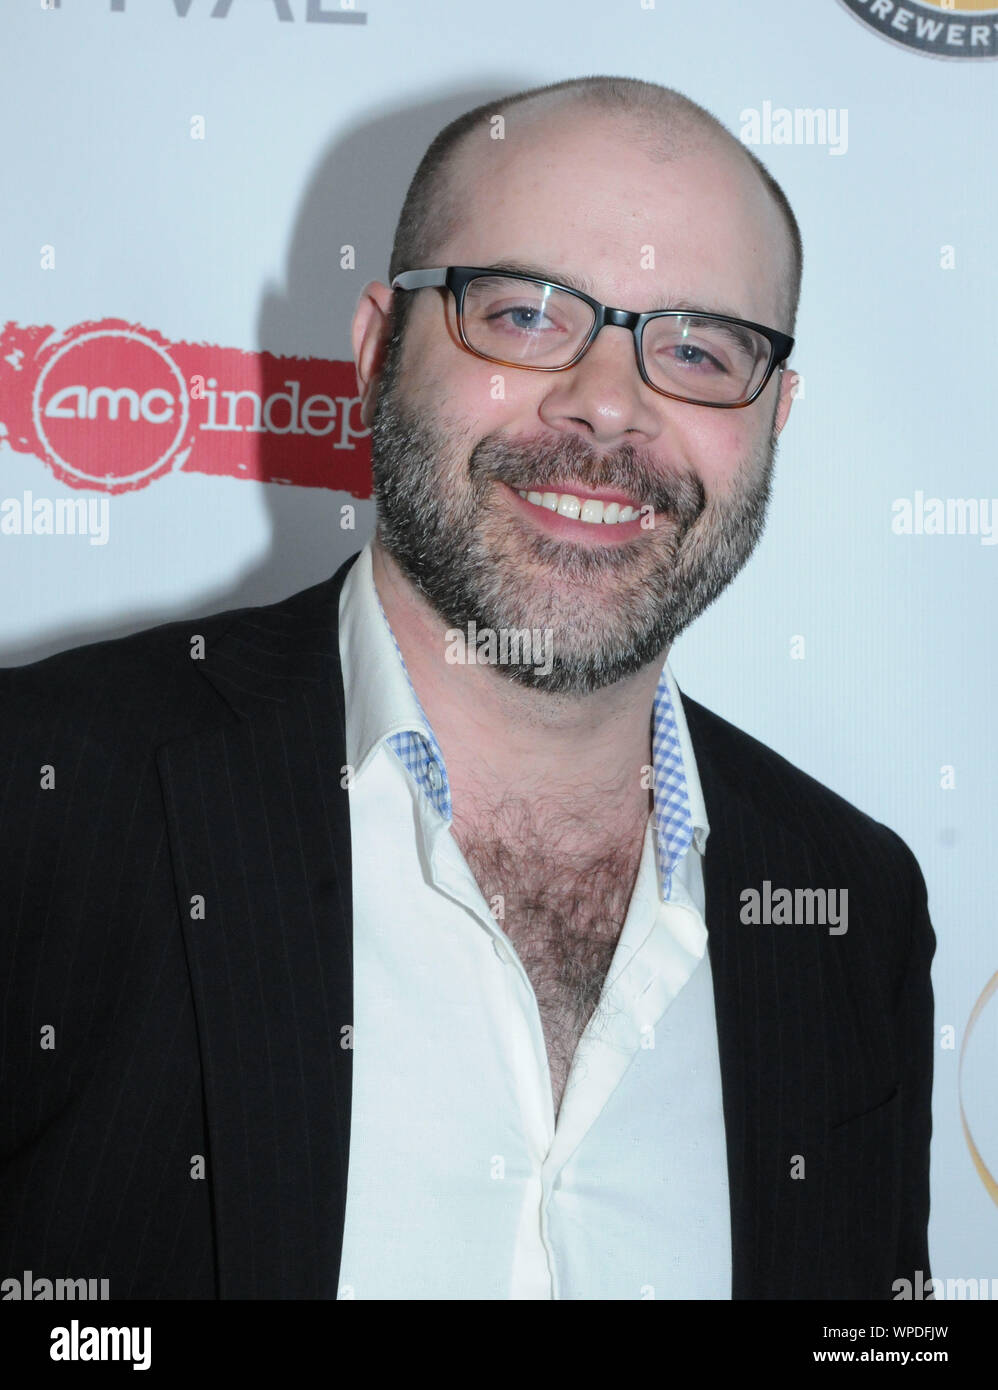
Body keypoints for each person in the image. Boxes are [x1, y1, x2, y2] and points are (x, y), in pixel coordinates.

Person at [0, 75, 933, 1301]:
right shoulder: (48, 798)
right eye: (527, 314)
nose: (608, 404)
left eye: (699, 347)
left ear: (772, 419)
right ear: (378, 350)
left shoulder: (847, 907)